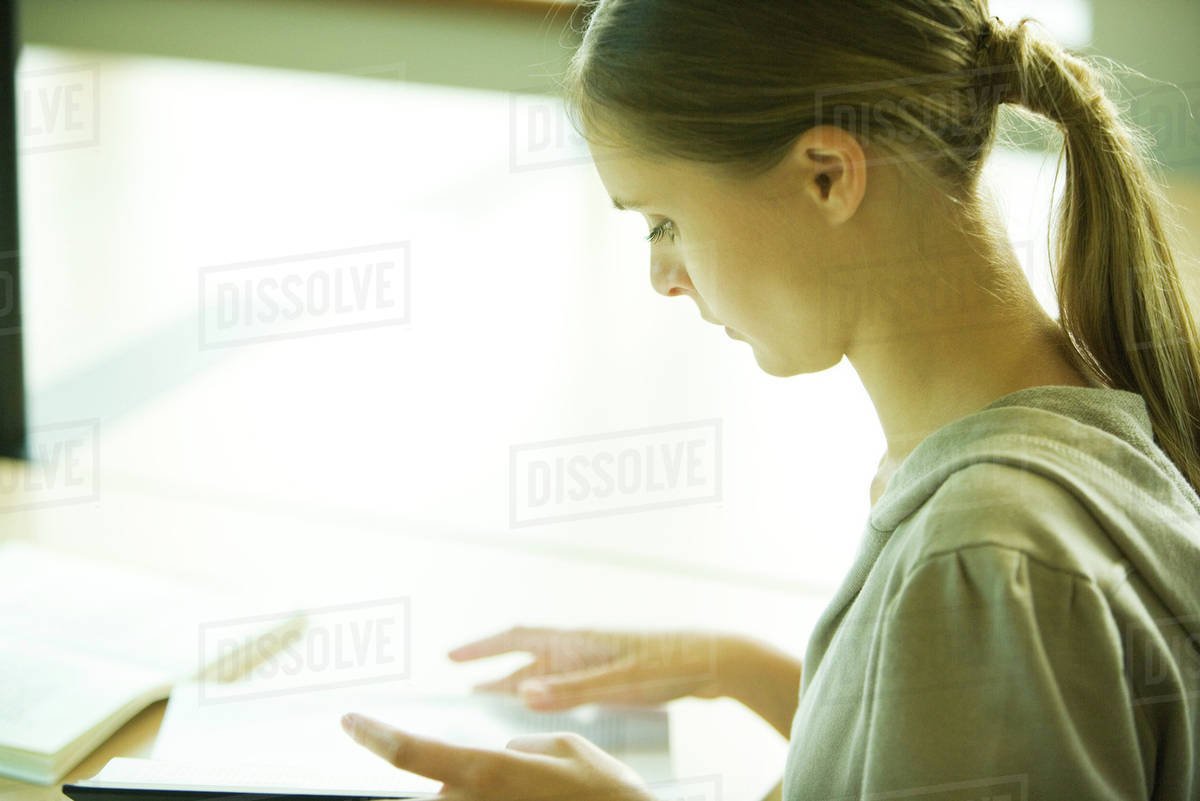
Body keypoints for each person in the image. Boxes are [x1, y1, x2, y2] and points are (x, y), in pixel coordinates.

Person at [342, 1, 1200, 798]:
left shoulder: (979, 555)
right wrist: (731, 665)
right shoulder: (1065, 418)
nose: (660, 277)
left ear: (826, 175)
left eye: (664, 220)